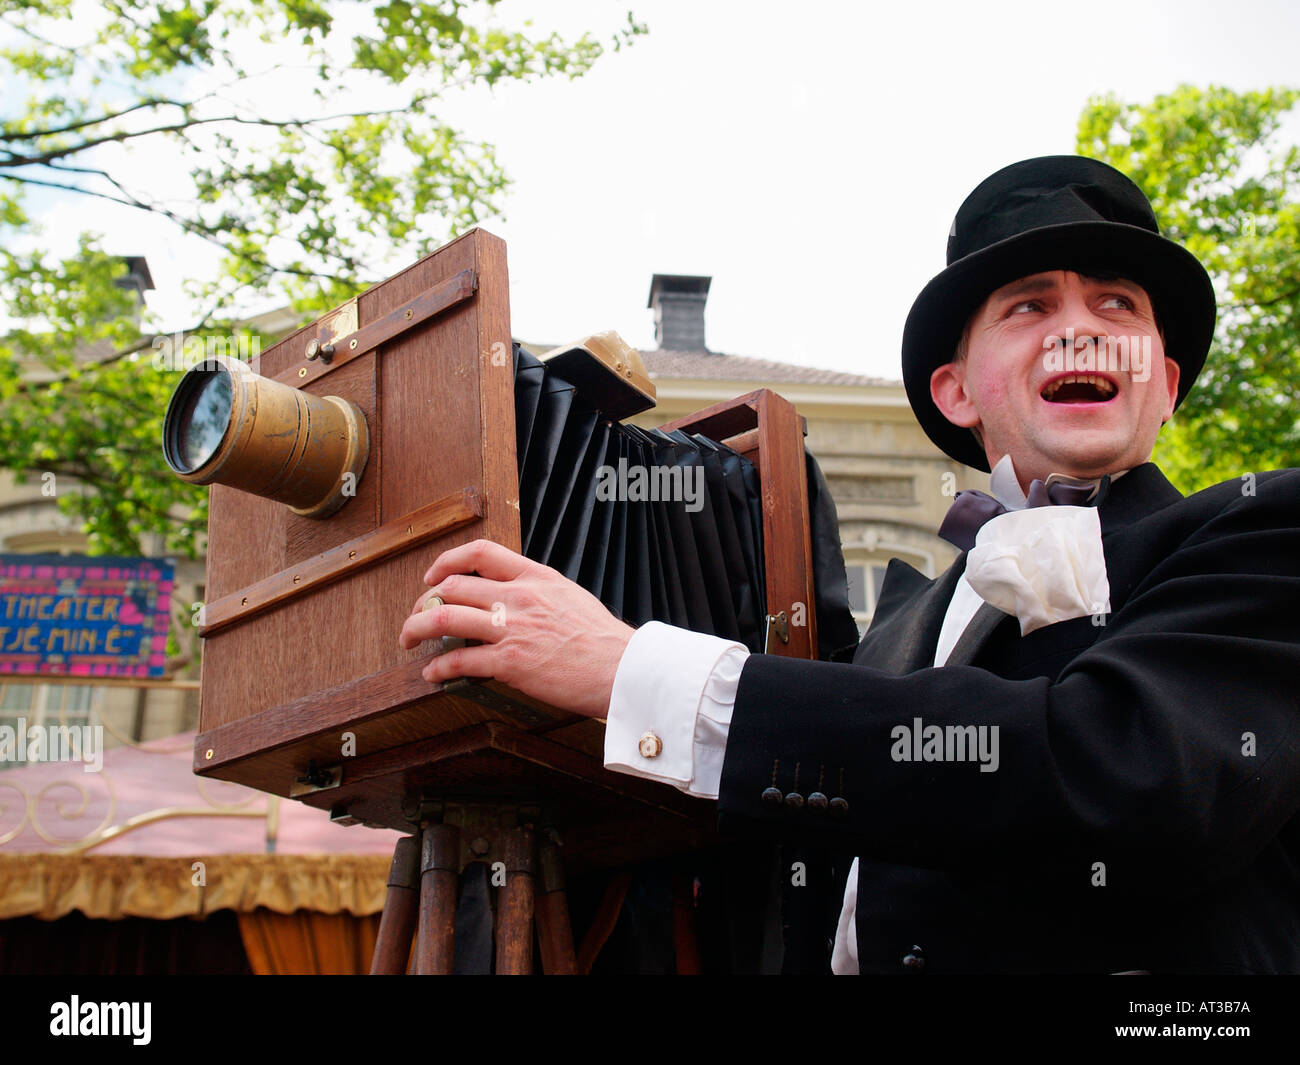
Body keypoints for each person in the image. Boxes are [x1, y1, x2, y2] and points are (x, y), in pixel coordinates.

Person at [398, 156, 1300, 974]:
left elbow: (1128, 773)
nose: (1082, 332)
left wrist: (628, 663)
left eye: (1118, 306)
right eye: (1031, 305)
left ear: (1166, 381)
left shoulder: (1263, 538)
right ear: (955, 391)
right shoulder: (897, 631)